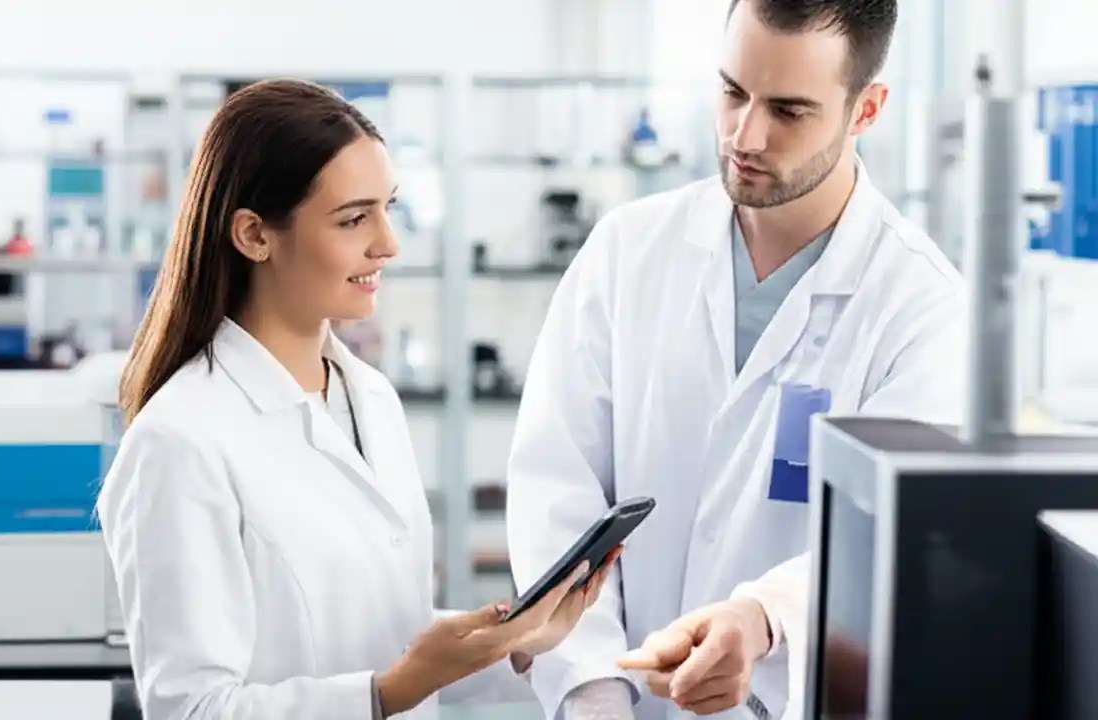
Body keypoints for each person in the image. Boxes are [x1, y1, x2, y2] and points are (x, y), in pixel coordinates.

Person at [95, 79, 619, 720]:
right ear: (255, 235)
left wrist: (516, 643)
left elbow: (381, 631)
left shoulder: (370, 398)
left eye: (388, 208)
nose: (388, 243)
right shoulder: (179, 440)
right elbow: (193, 709)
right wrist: (388, 692)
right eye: (353, 219)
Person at [504, 1, 968, 718]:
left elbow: (898, 543)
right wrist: (590, 687)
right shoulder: (628, 251)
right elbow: (555, 488)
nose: (745, 135)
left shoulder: (919, 306)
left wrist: (764, 618)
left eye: (789, 110)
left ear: (866, 109)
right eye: (731, 93)